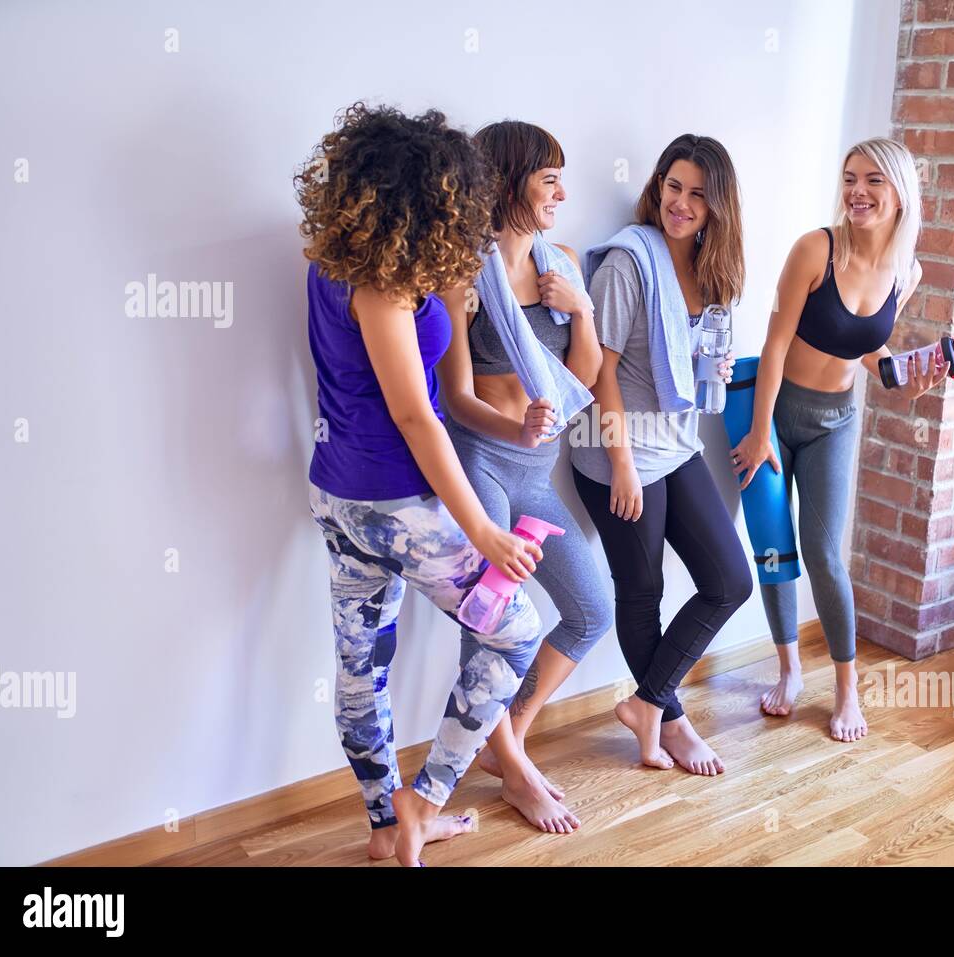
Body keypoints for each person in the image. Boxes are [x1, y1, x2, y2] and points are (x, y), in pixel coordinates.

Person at [297, 103, 544, 866]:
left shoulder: (334, 260)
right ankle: (423, 797)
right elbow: (414, 414)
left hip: (339, 492)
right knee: (518, 630)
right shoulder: (381, 285)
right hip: (399, 502)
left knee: (363, 662)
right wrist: (483, 532)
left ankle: (383, 826)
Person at [727, 137, 946, 742]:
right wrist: (758, 431)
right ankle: (789, 669)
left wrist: (904, 377)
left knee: (823, 554)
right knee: (773, 548)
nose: (859, 191)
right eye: (851, 178)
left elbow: (866, 346)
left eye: (874, 180)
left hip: (836, 421)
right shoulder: (814, 249)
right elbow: (775, 344)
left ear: (901, 194)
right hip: (774, 411)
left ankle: (847, 693)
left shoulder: (909, 270)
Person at [436, 120, 611, 834]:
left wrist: (584, 310)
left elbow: (587, 379)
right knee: (491, 623)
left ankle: (510, 732)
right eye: (548, 180)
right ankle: (512, 768)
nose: (562, 194)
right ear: (508, 184)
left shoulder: (560, 264)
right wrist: (519, 429)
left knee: (591, 607)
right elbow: (454, 400)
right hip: (483, 460)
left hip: (540, 470)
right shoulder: (462, 272)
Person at [569, 134, 752, 776]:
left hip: (675, 445)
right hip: (616, 451)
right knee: (641, 592)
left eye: (698, 194)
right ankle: (670, 721)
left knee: (730, 581)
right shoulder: (628, 264)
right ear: (658, 186)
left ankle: (648, 704)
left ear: (717, 208)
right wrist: (620, 463)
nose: (680, 203)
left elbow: (689, 362)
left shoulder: (710, 269)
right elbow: (600, 372)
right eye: (673, 186)